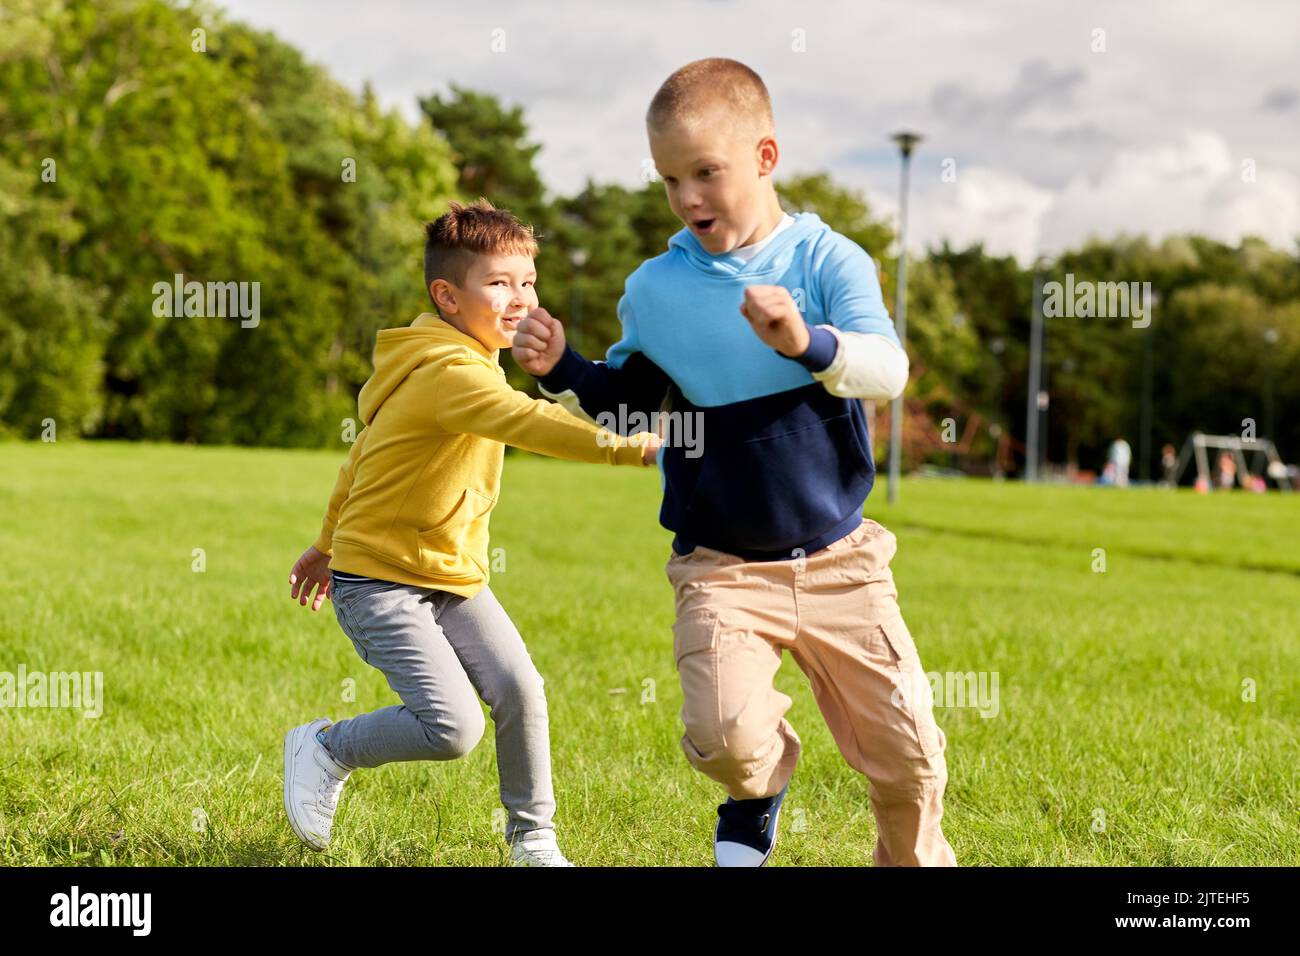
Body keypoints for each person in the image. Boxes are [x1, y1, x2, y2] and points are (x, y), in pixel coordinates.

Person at [513, 58, 955, 867]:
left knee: (910, 758)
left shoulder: (828, 263)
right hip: (721, 566)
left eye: (705, 173)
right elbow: (633, 403)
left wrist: (806, 344)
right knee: (723, 739)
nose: (687, 199)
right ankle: (759, 797)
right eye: (670, 180)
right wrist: (565, 369)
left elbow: (886, 373)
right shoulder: (656, 289)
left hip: (841, 563)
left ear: (765, 156)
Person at [284, 200, 656, 866]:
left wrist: (320, 544)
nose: (522, 299)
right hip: (379, 583)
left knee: (520, 690)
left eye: (529, 281)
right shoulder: (450, 375)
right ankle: (326, 747)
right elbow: (529, 422)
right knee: (452, 726)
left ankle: (532, 840)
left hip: (451, 576)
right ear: (447, 296)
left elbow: (360, 457)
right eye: (500, 283)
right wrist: (633, 446)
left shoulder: (458, 362)